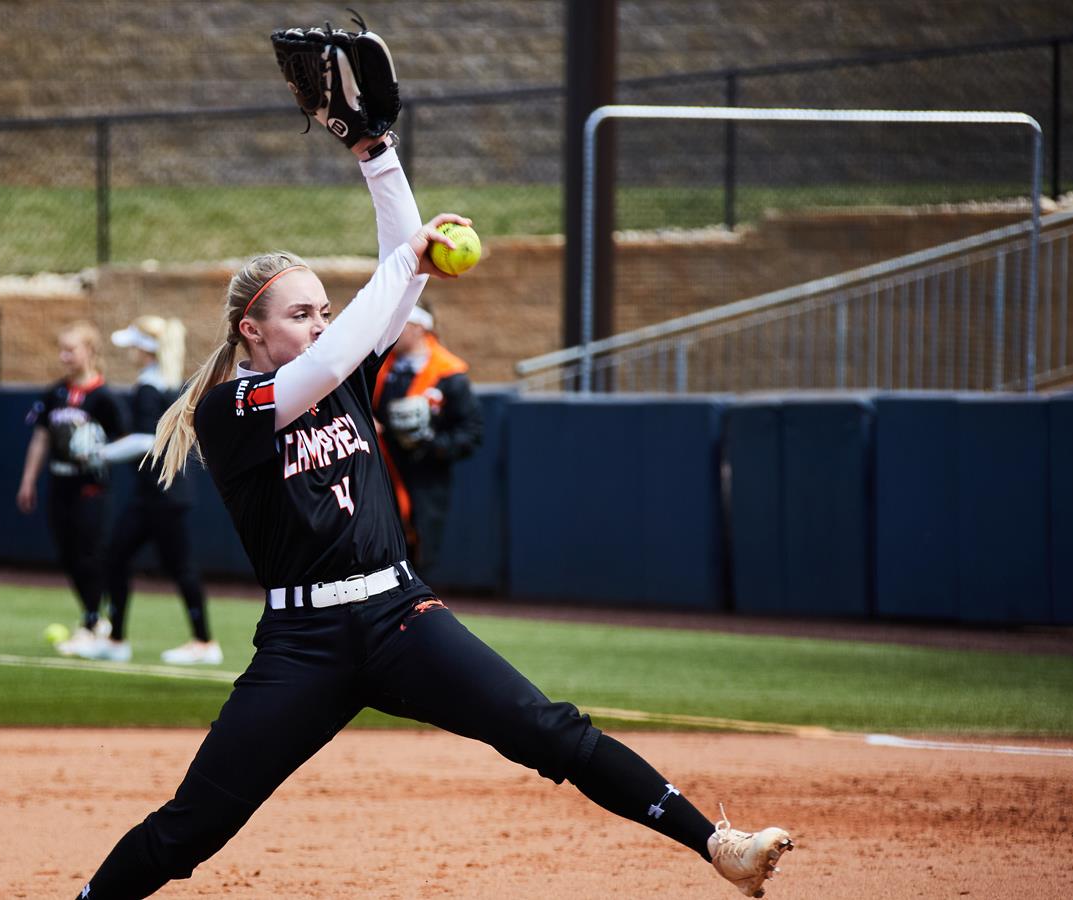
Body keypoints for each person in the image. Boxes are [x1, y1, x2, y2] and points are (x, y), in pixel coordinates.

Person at [75, 99, 793, 900]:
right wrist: (406, 259)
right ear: (252, 329)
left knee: (546, 729)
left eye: (323, 311)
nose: (321, 325)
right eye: (300, 313)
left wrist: (378, 156)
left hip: (398, 618)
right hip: (303, 644)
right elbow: (353, 327)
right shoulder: (231, 408)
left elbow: (383, 293)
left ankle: (716, 845)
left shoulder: (341, 371)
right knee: (194, 824)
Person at [92, 315, 221, 665]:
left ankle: (204, 642)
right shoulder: (161, 382)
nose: (131, 351)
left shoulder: (151, 386)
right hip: (155, 493)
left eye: (135, 345)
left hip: (164, 494)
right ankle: (116, 639)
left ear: (145, 349)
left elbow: (148, 439)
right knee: (117, 556)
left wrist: (99, 453)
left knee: (179, 567)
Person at [16, 322, 127, 657]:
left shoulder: (104, 397)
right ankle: (94, 616)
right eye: (62, 350)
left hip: (91, 488)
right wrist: (28, 481)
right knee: (67, 555)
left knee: (89, 554)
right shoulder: (55, 394)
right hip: (59, 484)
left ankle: (92, 622)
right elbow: (41, 437)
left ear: (90, 351)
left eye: (71, 349)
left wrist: (97, 454)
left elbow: (123, 440)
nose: (65, 356)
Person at [372, 297, 483, 580]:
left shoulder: (450, 375)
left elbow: (471, 433)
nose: (392, 329)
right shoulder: (377, 368)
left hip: (425, 485)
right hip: (379, 478)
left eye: (401, 322)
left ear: (420, 327)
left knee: (417, 566)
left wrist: (427, 442)